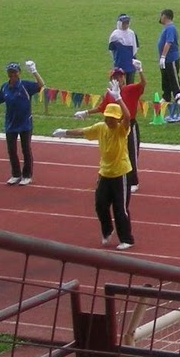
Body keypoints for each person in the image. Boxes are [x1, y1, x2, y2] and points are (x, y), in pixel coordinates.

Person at [52, 99, 135, 250]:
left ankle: (127, 239)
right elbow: (83, 131)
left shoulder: (121, 130)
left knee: (120, 208)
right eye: (107, 117)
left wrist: (119, 99)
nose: (109, 120)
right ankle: (107, 230)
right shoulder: (100, 128)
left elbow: (128, 117)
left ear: (117, 119)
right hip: (104, 173)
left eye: (112, 117)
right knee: (100, 204)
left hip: (120, 173)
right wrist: (65, 132)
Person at [78, 62, 147, 191]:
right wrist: (86, 112)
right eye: (115, 77)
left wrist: (140, 70)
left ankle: (133, 181)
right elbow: (101, 107)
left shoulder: (130, 89)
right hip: (114, 126)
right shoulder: (109, 94)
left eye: (120, 77)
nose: (118, 79)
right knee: (114, 151)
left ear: (124, 78)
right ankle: (113, 176)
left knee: (131, 152)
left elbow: (143, 85)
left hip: (129, 125)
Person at [0, 60, 45, 185]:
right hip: (11, 123)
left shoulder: (25, 85)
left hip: (25, 123)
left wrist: (34, 71)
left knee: (26, 149)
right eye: (10, 72)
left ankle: (27, 175)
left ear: (19, 73)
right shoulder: (5, 87)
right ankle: (16, 174)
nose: (12, 74)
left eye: (15, 72)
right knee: (11, 150)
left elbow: (41, 85)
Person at [155, 9, 180, 104]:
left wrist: (163, 56)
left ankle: (178, 96)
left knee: (173, 77)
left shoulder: (170, 28)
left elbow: (169, 42)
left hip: (171, 58)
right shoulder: (167, 28)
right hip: (165, 59)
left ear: (164, 16)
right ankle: (166, 96)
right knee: (165, 77)